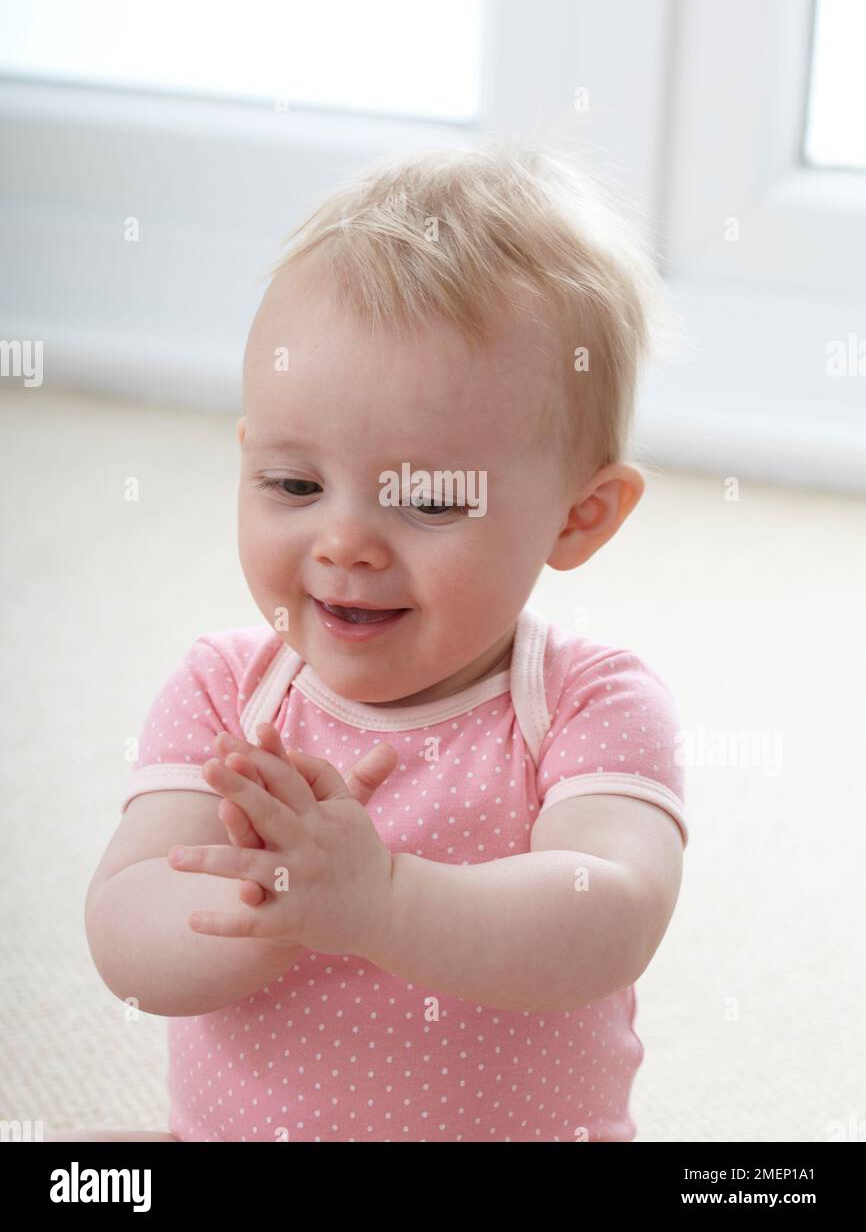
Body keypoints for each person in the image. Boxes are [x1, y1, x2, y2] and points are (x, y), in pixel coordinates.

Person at [52, 137, 687, 1142]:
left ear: (579, 516)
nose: (342, 541)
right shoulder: (230, 695)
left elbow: (609, 912)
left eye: (428, 499)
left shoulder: (585, 704)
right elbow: (126, 930)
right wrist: (267, 906)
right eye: (293, 485)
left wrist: (381, 901)